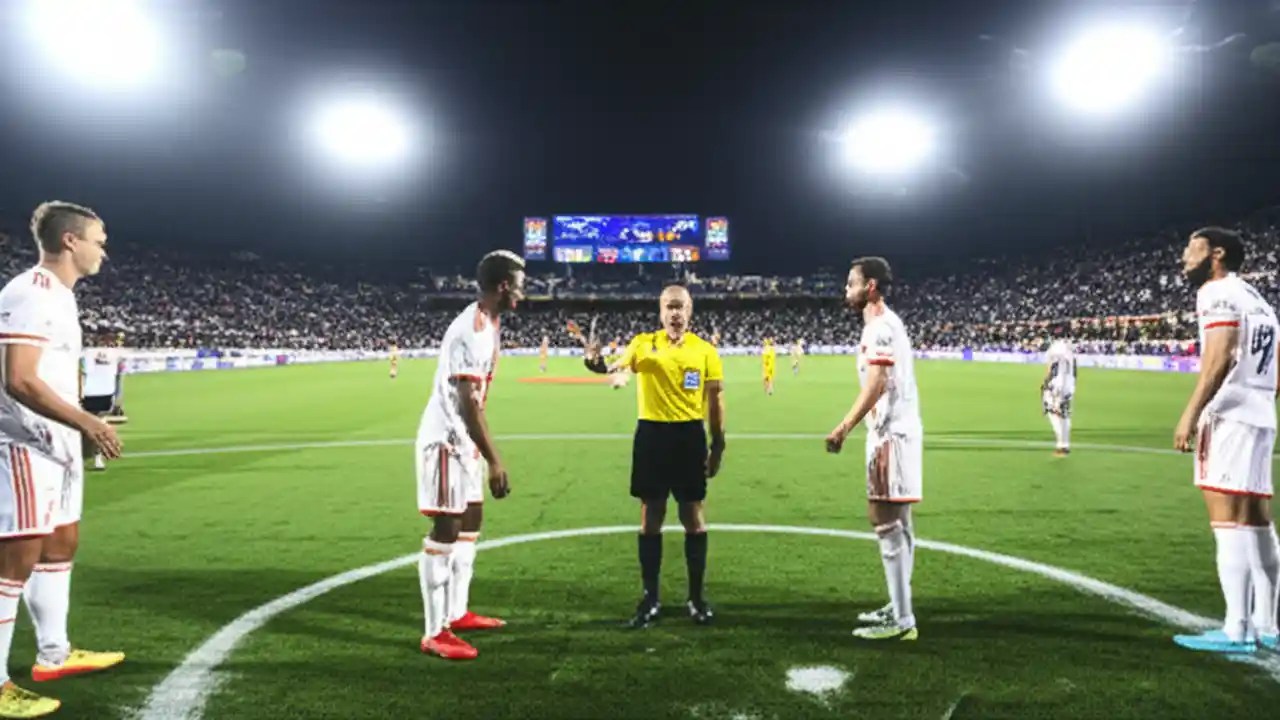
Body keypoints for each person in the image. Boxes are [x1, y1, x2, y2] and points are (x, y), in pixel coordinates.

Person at [0, 201, 125, 718]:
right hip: (25, 444)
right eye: (99, 239)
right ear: (70, 241)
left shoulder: (62, 299)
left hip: (59, 445)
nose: (104, 250)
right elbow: (19, 378)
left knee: (61, 541)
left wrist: (78, 431)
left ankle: (53, 654)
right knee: (14, 560)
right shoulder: (30, 292)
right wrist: (88, 421)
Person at [583, 284, 725, 628]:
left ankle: (696, 598)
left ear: (690, 311)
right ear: (660, 311)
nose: (675, 313)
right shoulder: (642, 343)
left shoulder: (705, 351)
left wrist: (717, 444)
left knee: (693, 516)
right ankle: (650, 599)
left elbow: (714, 401)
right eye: (669, 306)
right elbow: (619, 369)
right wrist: (598, 364)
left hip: (690, 435)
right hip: (652, 436)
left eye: (681, 306)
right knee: (651, 517)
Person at [1171, 227, 1279, 653]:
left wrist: (1191, 413)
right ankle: (1268, 623)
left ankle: (1237, 629)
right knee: (1256, 521)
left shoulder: (1215, 292)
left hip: (1230, 415)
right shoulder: (1257, 299)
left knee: (1226, 521)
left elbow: (1220, 357)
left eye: (1191, 247)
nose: (1183, 256)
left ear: (1216, 253)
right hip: (1260, 413)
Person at [415, 250, 525, 661]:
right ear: (503, 287)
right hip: (446, 439)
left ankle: (457, 612)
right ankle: (434, 631)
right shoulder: (470, 331)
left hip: (465, 443)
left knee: (471, 523)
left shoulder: (490, 323)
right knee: (446, 529)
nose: (523, 293)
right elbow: (466, 405)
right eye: (519, 285)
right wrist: (495, 458)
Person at [825, 257, 923, 642]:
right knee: (900, 524)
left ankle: (902, 620)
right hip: (896, 431)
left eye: (851, 283)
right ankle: (899, 607)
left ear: (871, 287)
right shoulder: (880, 325)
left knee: (883, 521)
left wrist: (844, 426)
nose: (845, 290)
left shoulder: (881, 327)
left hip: (890, 435)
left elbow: (878, 383)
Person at [79, 342, 123, 472]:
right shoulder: (115, 354)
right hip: (106, 393)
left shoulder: (86, 353)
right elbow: (119, 377)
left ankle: (91, 456)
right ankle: (97, 458)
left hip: (89, 393)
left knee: (84, 425)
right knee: (99, 423)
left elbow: (81, 373)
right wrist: (118, 399)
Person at [1041, 339, 1076, 457]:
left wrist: (1055, 392)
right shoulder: (1070, 357)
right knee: (1063, 415)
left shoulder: (1059, 357)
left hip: (1058, 388)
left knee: (1057, 415)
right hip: (1066, 387)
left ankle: (1062, 445)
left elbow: (1057, 373)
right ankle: (1063, 444)